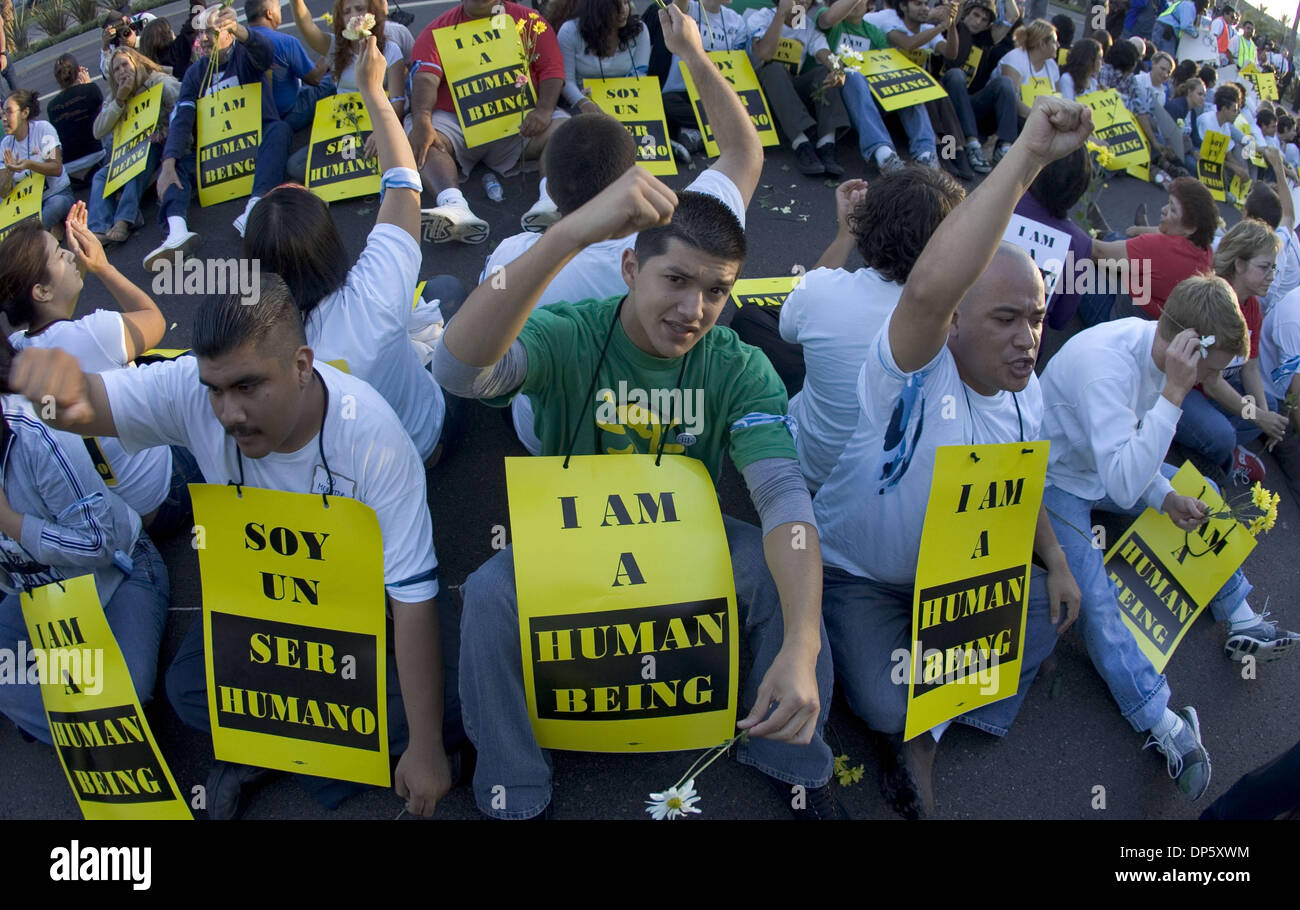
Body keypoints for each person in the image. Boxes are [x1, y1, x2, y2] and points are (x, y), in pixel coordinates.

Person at [431, 0, 842, 823]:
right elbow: (456, 368)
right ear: (629, 267)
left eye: (718, 292)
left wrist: (801, 642)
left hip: (680, 545)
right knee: (488, 598)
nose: (697, 309)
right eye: (676, 282)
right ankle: (513, 787)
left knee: (785, 580)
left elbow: (786, 506)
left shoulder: (737, 364)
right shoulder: (570, 331)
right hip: (572, 542)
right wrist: (560, 237)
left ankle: (790, 748)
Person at [7, 260, 458, 820]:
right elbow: (89, 404)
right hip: (261, 596)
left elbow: (412, 601)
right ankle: (310, 747)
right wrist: (47, 389)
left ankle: (271, 747)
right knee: (186, 689)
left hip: (358, 611)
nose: (228, 413)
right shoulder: (193, 392)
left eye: (248, 386)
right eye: (215, 390)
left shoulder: (373, 439)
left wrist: (426, 746)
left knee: (442, 716)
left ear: (301, 365)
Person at [813, 96, 1088, 818]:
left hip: (958, 585)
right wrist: (1027, 152)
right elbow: (933, 283)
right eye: (1006, 318)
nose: (1028, 337)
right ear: (955, 322)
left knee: (1058, 607)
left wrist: (1055, 561)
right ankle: (926, 718)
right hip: (860, 576)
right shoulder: (907, 369)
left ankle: (927, 712)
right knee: (881, 696)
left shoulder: (1029, 396)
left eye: (1035, 318)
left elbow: (1019, 492)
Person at [1040, 273, 1300, 802]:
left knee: (1196, 487)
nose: (1213, 379)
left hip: (1104, 471)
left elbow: (1135, 466)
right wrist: (1175, 398)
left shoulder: (1160, 356)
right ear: (1187, 347)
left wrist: (1166, 497)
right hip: (1058, 482)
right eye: (1213, 368)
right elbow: (1125, 480)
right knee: (1095, 600)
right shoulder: (1105, 368)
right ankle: (1161, 717)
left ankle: (1238, 612)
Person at [482, 4, 758, 456]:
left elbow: (476, 357)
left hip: (550, 437)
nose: (692, 306)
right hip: (672, 423)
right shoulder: (685, 228)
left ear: (548, 191)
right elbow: (745, 150)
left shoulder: (513, 257)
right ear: (634, 173)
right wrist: (692, 52)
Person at [244, 35, 453, 469]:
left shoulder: (252, 350)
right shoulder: (375, 286)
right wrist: (374, 91)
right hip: (423, 448)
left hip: (353, 485)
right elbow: (404, 182)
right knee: (447, 288)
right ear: (328, 239)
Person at [0, 337, 170, 746]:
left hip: (118, 574)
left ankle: (67, 717)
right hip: (40, 598)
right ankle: (73, 717)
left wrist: (11, 522)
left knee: (123, 700)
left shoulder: (39, 435)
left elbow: (98, 543)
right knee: (106, 719)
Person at [1, 208, 199, 538]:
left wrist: (82, 263)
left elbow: (63, 323)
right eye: (58, 253)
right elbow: (154, 319)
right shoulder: (94, 335)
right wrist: (103, 267)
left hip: (122, 513)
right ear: (42, 292)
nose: (68, 253)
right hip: (168, 492)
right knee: (202, 365)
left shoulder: (15, 350)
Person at [765, 167, 964, 490]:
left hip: (813, 471)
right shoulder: (958, 315)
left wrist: (845, 235)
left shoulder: (820, 290)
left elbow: (790, 325)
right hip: (894, 484)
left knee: (756, 322)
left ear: (867, 226)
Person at [408, 0, 569, 243]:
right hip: (459, 126)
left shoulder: (531, 21)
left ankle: (550, 201)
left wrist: (544, 110)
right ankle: (453, 205)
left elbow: (552, 69)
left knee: (568, 130)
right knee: (418, 131)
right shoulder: (436, 31)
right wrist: (422, 117)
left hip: (519, 124)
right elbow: (426, 79)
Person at [142, 5, 289, 269]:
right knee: (177, 167)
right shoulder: (194, 74)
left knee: (279, 130)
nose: (204, 38)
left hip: (255, 147)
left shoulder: (244, 56)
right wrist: (168, 163)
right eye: (200, 33)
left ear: (229, 32)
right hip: (215, 157)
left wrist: (241, 31)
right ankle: (177, 232)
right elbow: (182, 118)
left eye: (211, 31)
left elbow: (264, 52)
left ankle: (255, 209)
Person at [1172, 218, 1285, 484]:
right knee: (1224, 435)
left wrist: (1265, 415)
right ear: (1239, 264)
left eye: (1273, 268)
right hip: (1186, 388)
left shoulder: (1252, 305)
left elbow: (1250, 366)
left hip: (1216, 388)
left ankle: (1209, 443)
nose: (1272, 275)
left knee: (1272, 405)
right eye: (1264, 267)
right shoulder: (1217, 298)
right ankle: (1215, 450)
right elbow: (1211, 381)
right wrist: (1259, 418)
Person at [820, 0, 939, 174]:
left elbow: (888, 68)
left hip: (871, 99)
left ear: (868, 5)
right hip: (838, 96)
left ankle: (926, 154)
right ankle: (884, 155)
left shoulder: (874, 32)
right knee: (853, 74)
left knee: (905, 81)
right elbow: (828, 19)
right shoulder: (831, 21)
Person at [1088, 177, 1217, 321]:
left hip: (1115, 319)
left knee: (1078, 264)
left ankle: (1104, 234)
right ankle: (1106, 234)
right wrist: (1140, 229)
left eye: (1172, 210)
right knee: (1131, 247)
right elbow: (1158, 236)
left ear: (1191, 228)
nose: (1163, 210)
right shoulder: (1206, 252)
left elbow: (1097, 251)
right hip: (1153, 325)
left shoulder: (1157, 247)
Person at [88, 48, 180, 245]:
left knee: (137, 163)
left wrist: (164, 133)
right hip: (128, 150)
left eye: (125, 65)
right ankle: (99, 227)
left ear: (136, 63)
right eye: (117, 69)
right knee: (100, 177)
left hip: (158, 146)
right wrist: (119, 100)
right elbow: (98, 130)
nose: (122, 71)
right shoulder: (115, 95)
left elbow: (182, 107)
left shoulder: (158, 81)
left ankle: (125, 219)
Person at [750, 0, 851, 176]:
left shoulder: (807, 26)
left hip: (792, 90)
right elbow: (765, 53)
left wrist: (838, 70)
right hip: (763, 91)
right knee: (774, 69)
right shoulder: (761, 17)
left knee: (823, 73)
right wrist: (781, 14)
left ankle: (827, 145)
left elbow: (825, 53)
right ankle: (801, 144)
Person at [1015, 147, 1095, 328]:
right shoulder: (1080, 244)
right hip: (1024, 347)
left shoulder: (1002, 201)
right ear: (1080, 188)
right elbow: (1060, 319)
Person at [660, 0, 750, 160]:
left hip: (716, 90)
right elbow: (677, 7)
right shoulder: (688, 9)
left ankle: (696, 131)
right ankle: (723, 126)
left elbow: (738, 65)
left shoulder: (737, 21)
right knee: (666, 102)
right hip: (681, 91)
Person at [937, 0, 1019, 173]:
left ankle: (1004, 147)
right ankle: (972, 143)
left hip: (970, 104)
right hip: (944, 101)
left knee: (1005, 83)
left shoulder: (987, 38)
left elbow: (1013, 15)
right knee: (956, 74)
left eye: (984, 19)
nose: (978, 22)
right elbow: (955, 8)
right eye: (975, 15)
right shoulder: (952, 27)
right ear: (967, 13)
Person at [246, 0, 327, 132]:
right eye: (279, 7)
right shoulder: (285, 42)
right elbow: (315, 78)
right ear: (269, 14)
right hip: (286, 114)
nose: (281, 11)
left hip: (252, 119)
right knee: (329, 82)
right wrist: (330, 52)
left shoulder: (236, 45)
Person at [0, 91, 74, 234]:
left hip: (54, 195)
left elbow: (56, 167)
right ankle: (48, 230)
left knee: (56, 205)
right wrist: (9, 171)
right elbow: (3, 191)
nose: (3, 118)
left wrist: (29, 164)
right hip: (25, 203)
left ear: (24, 113)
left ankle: (27, 240)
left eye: (8, 112)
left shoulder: (44, 130)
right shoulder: (5, 144)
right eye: (2, 113)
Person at [558, 0, 651, 112]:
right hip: (581, 103)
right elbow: (566, 81)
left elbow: (639, 74)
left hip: (627, 104)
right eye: (615, 6)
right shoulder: (569, 31)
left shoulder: (640, 31)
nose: (623, 11)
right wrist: (583, 102)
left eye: (625, 3)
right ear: (596, 8)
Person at [45, 55, 104, 183]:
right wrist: (88, 85)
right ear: (78, 71)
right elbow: (103, 120)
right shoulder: (91, 89)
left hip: (70, 167)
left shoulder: (51, 106)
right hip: (96, 157)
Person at [1000, 19, 1059, 119]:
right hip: (1010, 115)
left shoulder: (1052, 66)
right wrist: (1039, 119)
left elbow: (1057, 99)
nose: (1058, 45)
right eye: (1054, 42)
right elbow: (1012, 101)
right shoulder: (1015, 58)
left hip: (1038, 118)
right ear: (1042, 44)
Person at [1196, 83, 1251, 184]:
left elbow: (1228, 155)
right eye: (1234, 110)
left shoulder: (1225, 127)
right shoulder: (1207, 121)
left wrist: (1243, 170)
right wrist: (1233, 167)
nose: (1237, 113)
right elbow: (1207, 157)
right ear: (1224, 109)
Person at [140, 15, 198, 82]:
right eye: (169, 30)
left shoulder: (147, 68)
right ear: (166, 35)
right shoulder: (177, 51)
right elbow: (196, 17)